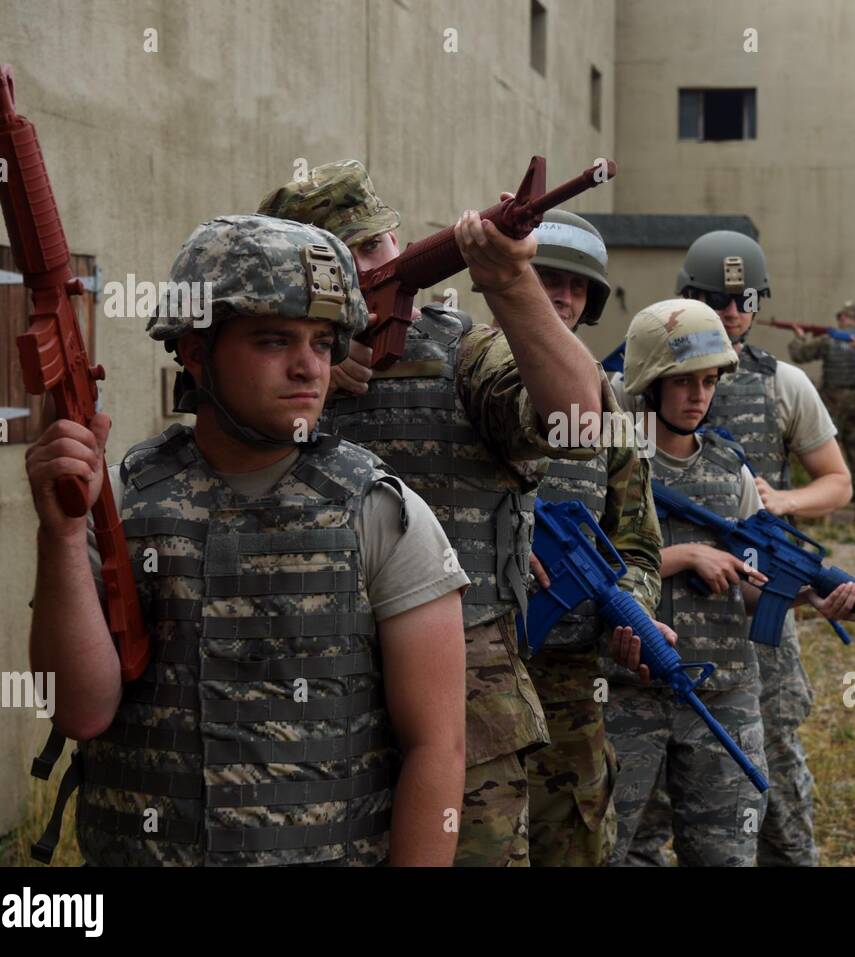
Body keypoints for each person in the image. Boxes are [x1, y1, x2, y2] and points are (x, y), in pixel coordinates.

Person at [27, 215, 468, 865]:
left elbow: (438, 747)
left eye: (323, 342)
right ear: (197, 351)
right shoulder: (117, 504)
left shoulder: (381, 514)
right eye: (273, 340)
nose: (308, 367)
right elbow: (80, 713)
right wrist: (62, 535)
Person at [259, 160, 606, 866]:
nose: (378, 263)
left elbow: (576, 420)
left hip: (466, 724)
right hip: (303, 719)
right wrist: (310, 380)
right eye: (348, 253)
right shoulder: (267, 375)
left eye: (380, 243)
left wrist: (511, 283)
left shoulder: (462, 353)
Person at [605, 299, 855, 867]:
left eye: (708, 381)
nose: (699, 396)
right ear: (649, 383)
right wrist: (683, 556)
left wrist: (807, 597)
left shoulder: (730, 469)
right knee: (614, 851)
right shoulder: (612, 463)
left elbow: (750, 584)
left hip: (722, 692)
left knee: (726, 853)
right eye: (683, 383)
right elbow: (590, 573)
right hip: (629, 693)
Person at [517, 210, 666, 866]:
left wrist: (628, 606)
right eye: (548, 277)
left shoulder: (610, 414)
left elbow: (637, 542)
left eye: (578, 287)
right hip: (456, 676)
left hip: (569, 684)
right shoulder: (457, 380)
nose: (563, 296)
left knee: (572, 846)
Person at [787, 301, 855, 520]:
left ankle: (822, 513)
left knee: (825, 458)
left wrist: (799, 336)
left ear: (843, 317)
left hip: (832, 404)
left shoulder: (829, 340)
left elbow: (800, 355)